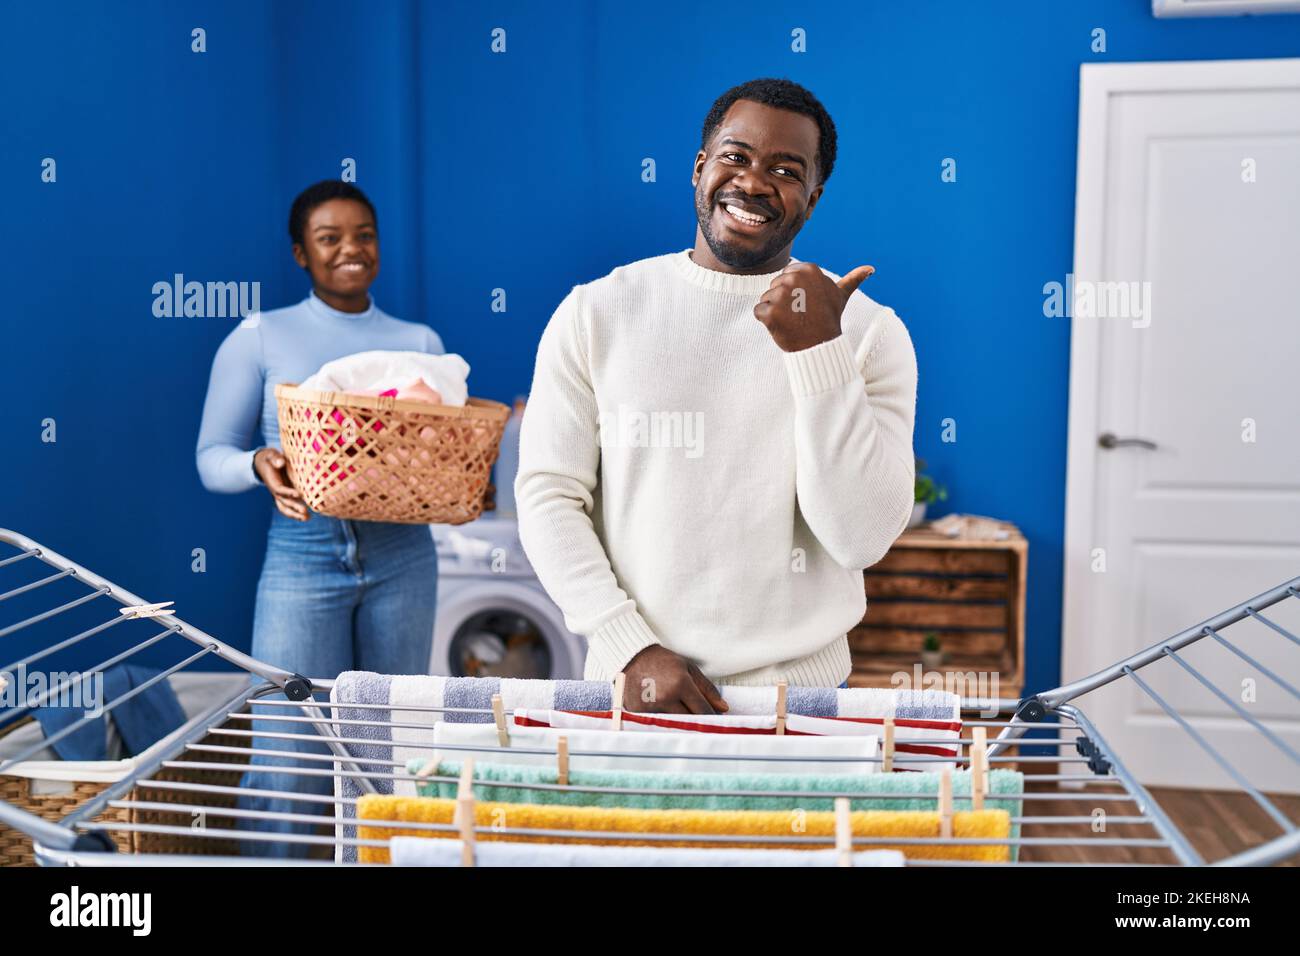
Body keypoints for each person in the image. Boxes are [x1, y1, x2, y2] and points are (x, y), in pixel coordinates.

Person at [516, 78, 917, 714]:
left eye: (786, 170)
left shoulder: (867, 332)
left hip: (801, 701)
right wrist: (630, 648)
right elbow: (548, 497)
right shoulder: (597, 312)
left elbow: (859, 537)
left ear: (811, 201)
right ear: (700, 168)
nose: (754, 183)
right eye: (735, 157)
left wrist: (819, 353)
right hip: (632, 687)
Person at [195, 180, 475, 857]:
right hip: (302, 559)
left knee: (388, 756)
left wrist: (463, 481)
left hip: (404, 561)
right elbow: (212, 457)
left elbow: (437, 451)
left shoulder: (417, 341)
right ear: (300, 253)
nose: (351, 250)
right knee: (287, 761)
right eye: (330, 238)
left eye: (364, 236)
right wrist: (259, 464)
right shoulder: (259, 336)